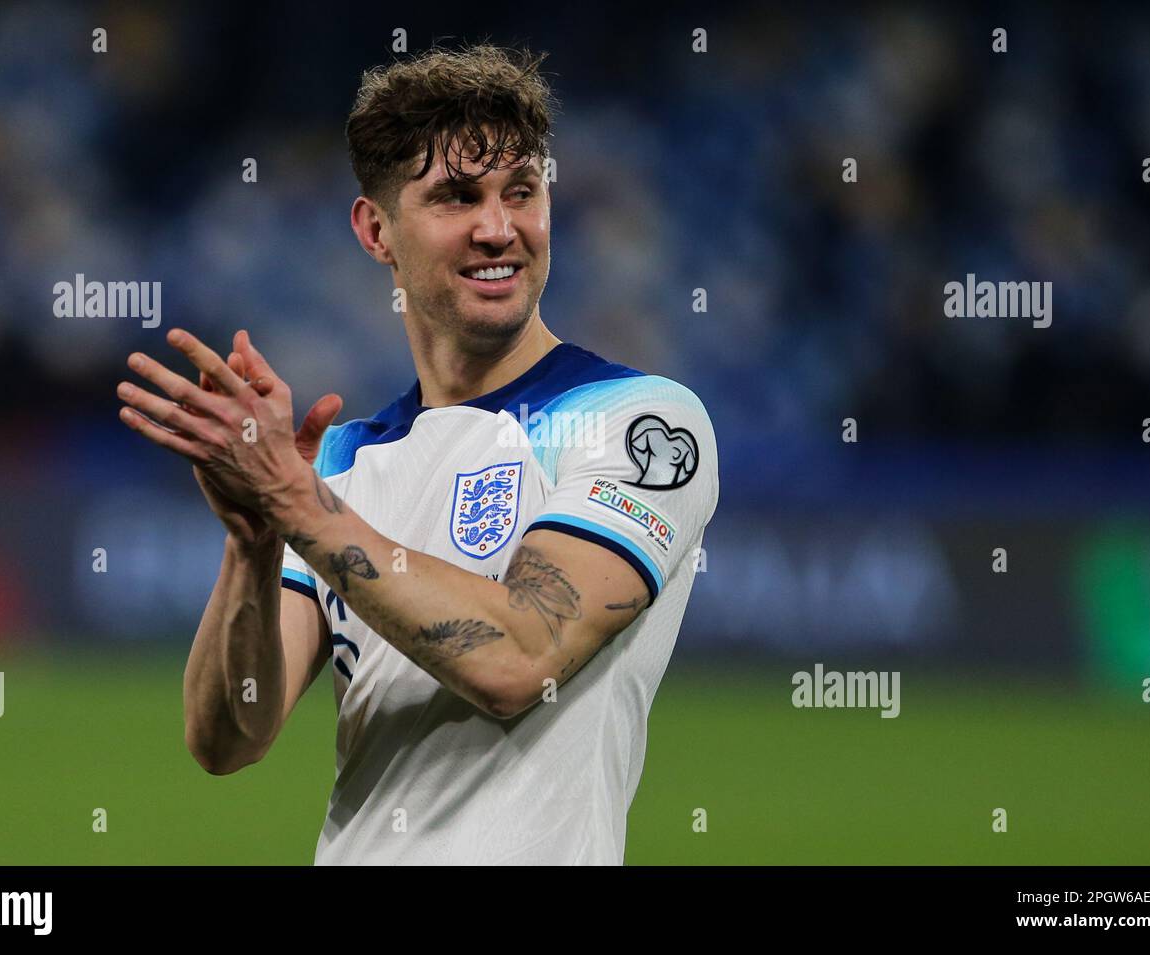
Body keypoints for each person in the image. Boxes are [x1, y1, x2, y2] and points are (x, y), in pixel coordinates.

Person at [116, 44, 718, 864]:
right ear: (376, 230)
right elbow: (229, 736)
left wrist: (292, 502)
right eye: (456, 197)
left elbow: (521, 656)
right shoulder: (344, 465)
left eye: (522, 192)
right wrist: (254, 539)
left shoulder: (638, 419)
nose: (498, 227)